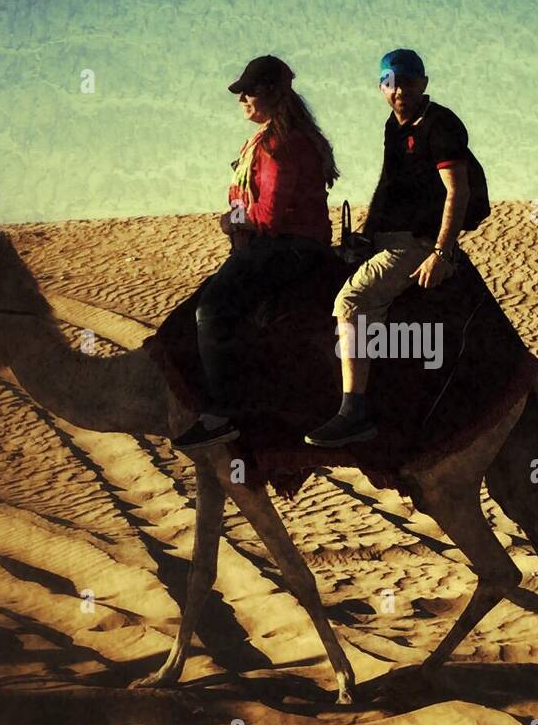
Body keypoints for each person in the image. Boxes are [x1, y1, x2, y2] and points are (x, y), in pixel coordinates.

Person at [305, 48, 481, 447]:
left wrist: (440, 252)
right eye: (389, 82)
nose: (398, 90)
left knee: (352, 302)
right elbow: (390, 186)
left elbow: (458, 192)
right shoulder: (394, 126)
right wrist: (367, 234)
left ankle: (355, 410)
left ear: (424, 84)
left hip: (419, 244)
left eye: (406, 81)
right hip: (388, 239)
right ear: (381, 86)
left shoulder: (441, 125)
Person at [173, 55, 338, 450]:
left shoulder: (283, 144)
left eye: (249, 91)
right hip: (283, 245)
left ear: (270, 94)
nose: (242, 98)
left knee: (210, 310)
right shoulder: (269, 141)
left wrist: (230, 222)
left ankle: (221, 413)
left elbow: (270, 214)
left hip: (289, 248)